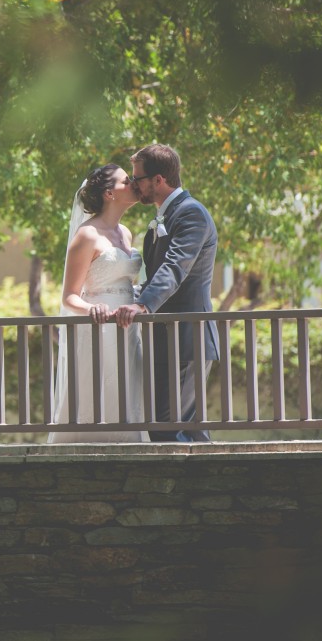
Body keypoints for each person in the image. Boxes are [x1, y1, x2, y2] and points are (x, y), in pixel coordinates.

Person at [114, 144, 218, 442]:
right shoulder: (166, 216)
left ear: (158, 180)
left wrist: (142, 306)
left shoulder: (191, 213)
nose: (134, 185)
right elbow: (157, 273)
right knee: (185, 432)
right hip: (167, 338)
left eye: (137, 179)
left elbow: (175, 267)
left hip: (186, 337)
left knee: (168, 431)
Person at [48, 164, 148, 443]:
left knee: (126, 388)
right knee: (97, 389)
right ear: (109, 193)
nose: (134, 183)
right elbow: (69, 296)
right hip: (99, 327)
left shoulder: (126, 232)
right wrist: (92, 309)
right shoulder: (87, 234)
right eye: (126, 181)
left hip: (128, 327)